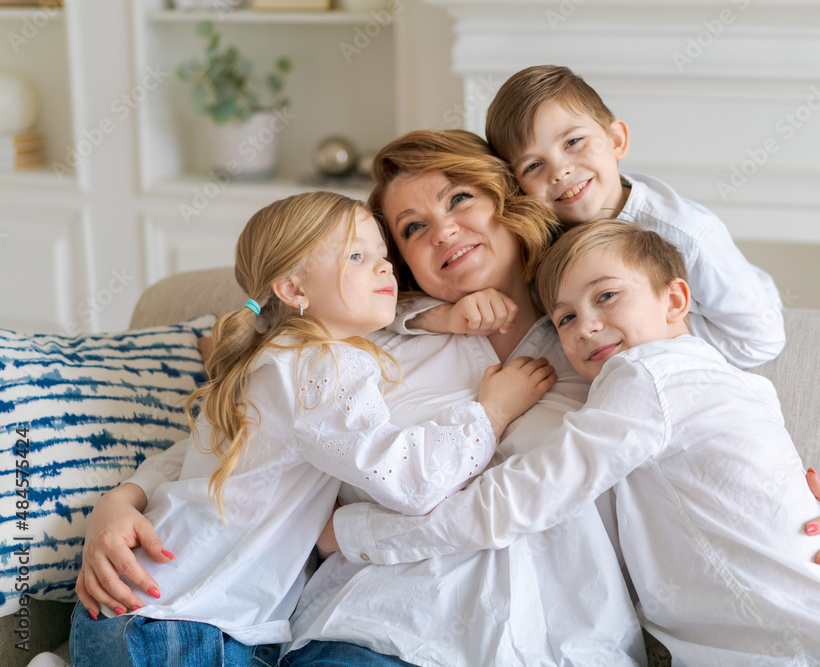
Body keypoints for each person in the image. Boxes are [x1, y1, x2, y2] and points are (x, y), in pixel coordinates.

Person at [76, 130, 820, 666]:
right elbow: (246, 437)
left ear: (508, 201)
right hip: (379, 630)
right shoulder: (367, 344)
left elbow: (723, 432)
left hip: (560, 642)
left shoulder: (610, 339)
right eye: (411, 228)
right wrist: (125, 498)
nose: (443, 232)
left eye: (459, 199)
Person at [326, 220, 820, 665]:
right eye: (564, 318)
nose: (585, 326)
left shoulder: (647, 377)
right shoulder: (719, 383)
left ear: (675, 300)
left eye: (606, 297)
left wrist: (353, 535)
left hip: (810, 650)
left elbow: (518, 499)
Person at [69, 191, 556, 666]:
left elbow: (191, 454)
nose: (384, 268)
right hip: (183, 621)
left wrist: (126, 494)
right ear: (294, 290)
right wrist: (490, 413)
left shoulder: (271, 359)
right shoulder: (324, 365)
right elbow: (408, 480)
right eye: (358, 256)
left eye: (383, 255)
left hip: (148, 609)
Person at [416, 64, 784, 370]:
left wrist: (651, 340)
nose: (560, 171)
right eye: (534, 165)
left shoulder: (688, 234)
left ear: (616, 140)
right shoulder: (540, 233)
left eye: (573, 142)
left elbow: (761, 339)